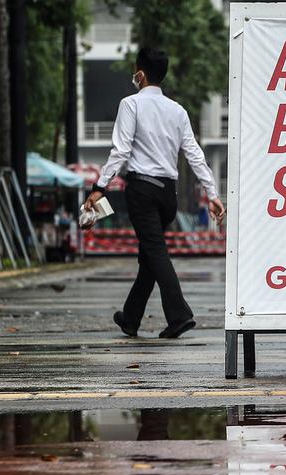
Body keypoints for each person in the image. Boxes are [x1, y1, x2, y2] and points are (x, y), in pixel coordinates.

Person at [84, 47, 226, 339]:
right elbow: (195, 154)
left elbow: (121, 150)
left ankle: (180, 315)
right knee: (149, 255)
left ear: (140, 74)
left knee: (156, 252)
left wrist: (100, 187)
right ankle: (131, 318)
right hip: (167, 196)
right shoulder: (178, 110)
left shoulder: (131, 104)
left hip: (143, 191)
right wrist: (212, 193)